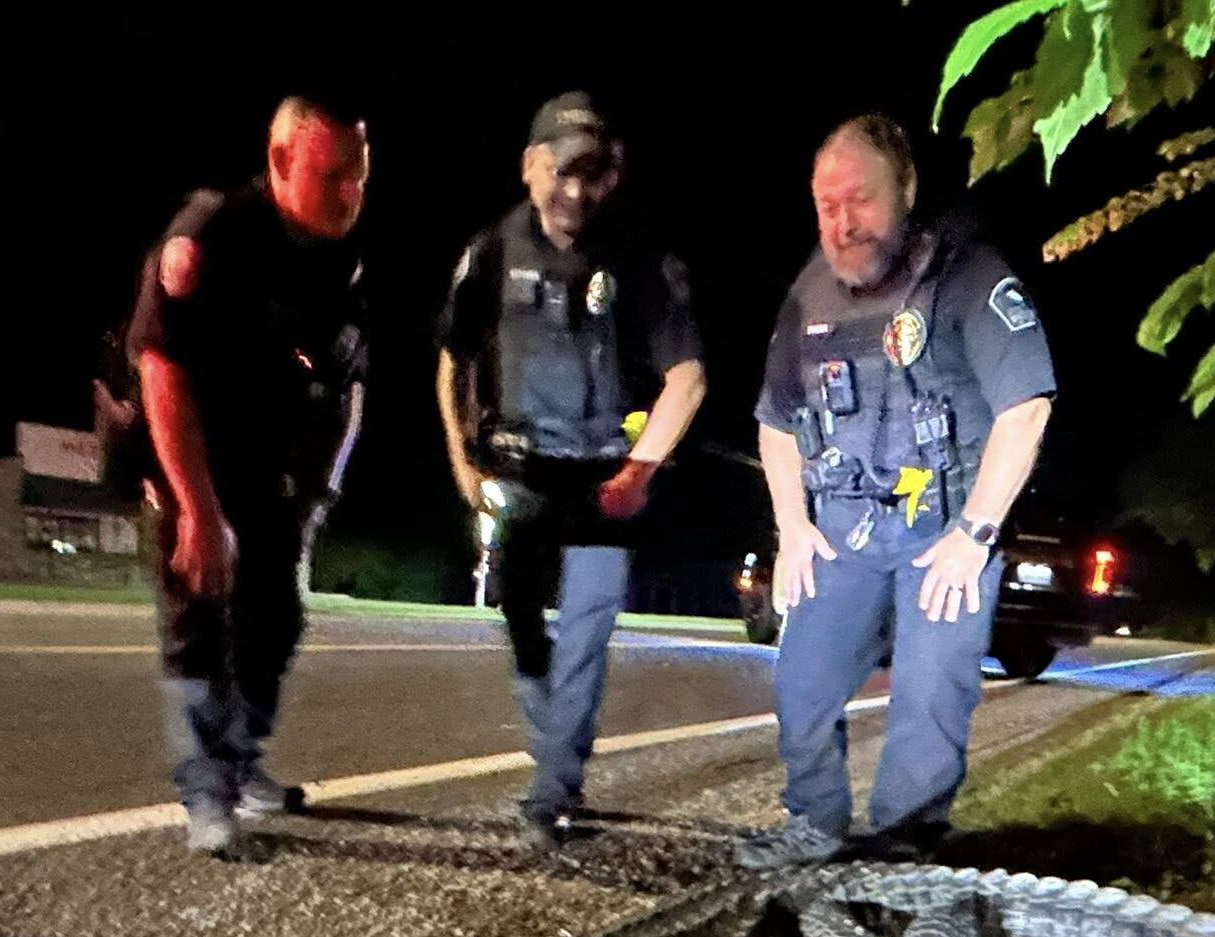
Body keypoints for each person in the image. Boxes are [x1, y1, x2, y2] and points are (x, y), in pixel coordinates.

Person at [735, 114, 1055, 869]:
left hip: (943, 531)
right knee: (803, 685)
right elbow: (775, 422)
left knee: (929, 699)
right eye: (826, 204)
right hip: (843, 529)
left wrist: (974, 535)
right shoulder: (808, 293)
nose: (843, 223)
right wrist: (792, 526)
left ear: (905, 190)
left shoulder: (970, 276)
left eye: (862, 200)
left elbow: (1027, 406)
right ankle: (813, 823)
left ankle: (902, 850)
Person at [435, 92, 707, 848]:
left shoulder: (643, 257)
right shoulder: (491, 249)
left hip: (602, 479)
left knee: (587, 632)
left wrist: (640, 471)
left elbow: (687, 378)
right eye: (564, 172)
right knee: (521, 625)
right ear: (530, 167)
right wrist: (461, 458)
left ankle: (552, 789)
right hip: (518, 474)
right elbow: (453, 359)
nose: (578, 194)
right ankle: (559, 753)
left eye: (596, 177)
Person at [122, 95, 371, 855]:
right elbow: (162, 367)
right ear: (279, 162)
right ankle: (207, 795)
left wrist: (319, 490)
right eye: (332, 177)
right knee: (200, 619)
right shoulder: (214, 232)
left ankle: (238, 760)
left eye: (360, 178)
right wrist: (197, 509)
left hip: (270, 473)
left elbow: (343, 379)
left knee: (277, 622)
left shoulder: (337, 259)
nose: (349, 195)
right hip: (191, 460)